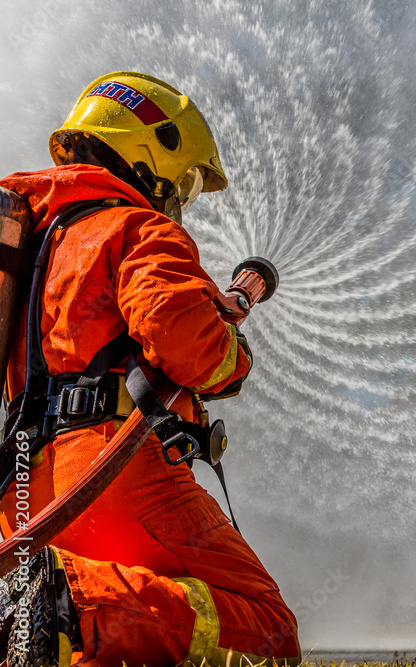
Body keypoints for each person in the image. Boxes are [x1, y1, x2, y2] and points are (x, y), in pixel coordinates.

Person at [0, 72, 300, 665]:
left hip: (20, 484)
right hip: (116, 472)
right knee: (266, 632)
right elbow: (186, 342)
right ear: (149, 152)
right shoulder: (137, 228)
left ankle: (47, 609)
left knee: (97, 640)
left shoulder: (31, 237)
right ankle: (62, 608)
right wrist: (231, 356)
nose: (182, 199)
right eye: (185, 181)